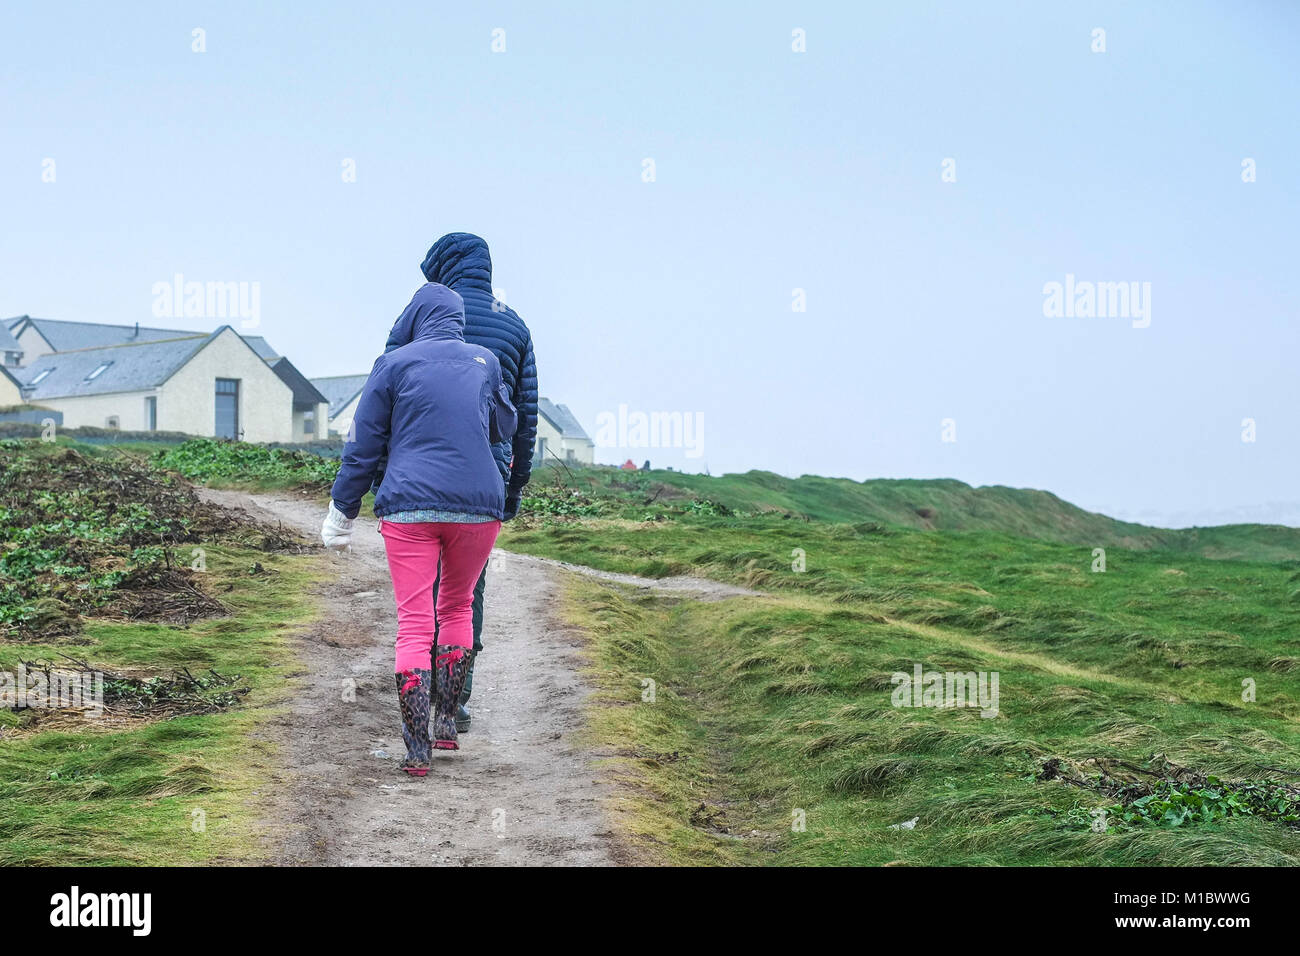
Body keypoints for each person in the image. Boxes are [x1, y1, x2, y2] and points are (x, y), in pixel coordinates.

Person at [322, 282, 516, 776]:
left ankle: (416, 750)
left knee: (414, 620)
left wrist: (342, 512)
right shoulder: (485, 361)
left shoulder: (393, 365)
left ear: (414, 317)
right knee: (457, 605)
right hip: (479, 506)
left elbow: (363, 444)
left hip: (409, 507)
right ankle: (447, 723)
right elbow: (503, 427)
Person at [384, 232, 539, 732]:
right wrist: (514, 488)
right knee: (465, 590)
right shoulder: (514, 324)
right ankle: (455, 700)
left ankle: (420, 686)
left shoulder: (423, 320)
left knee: (419, 585)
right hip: (485, 471)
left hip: (419, 465)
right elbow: (525, 415)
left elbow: (387, 394)